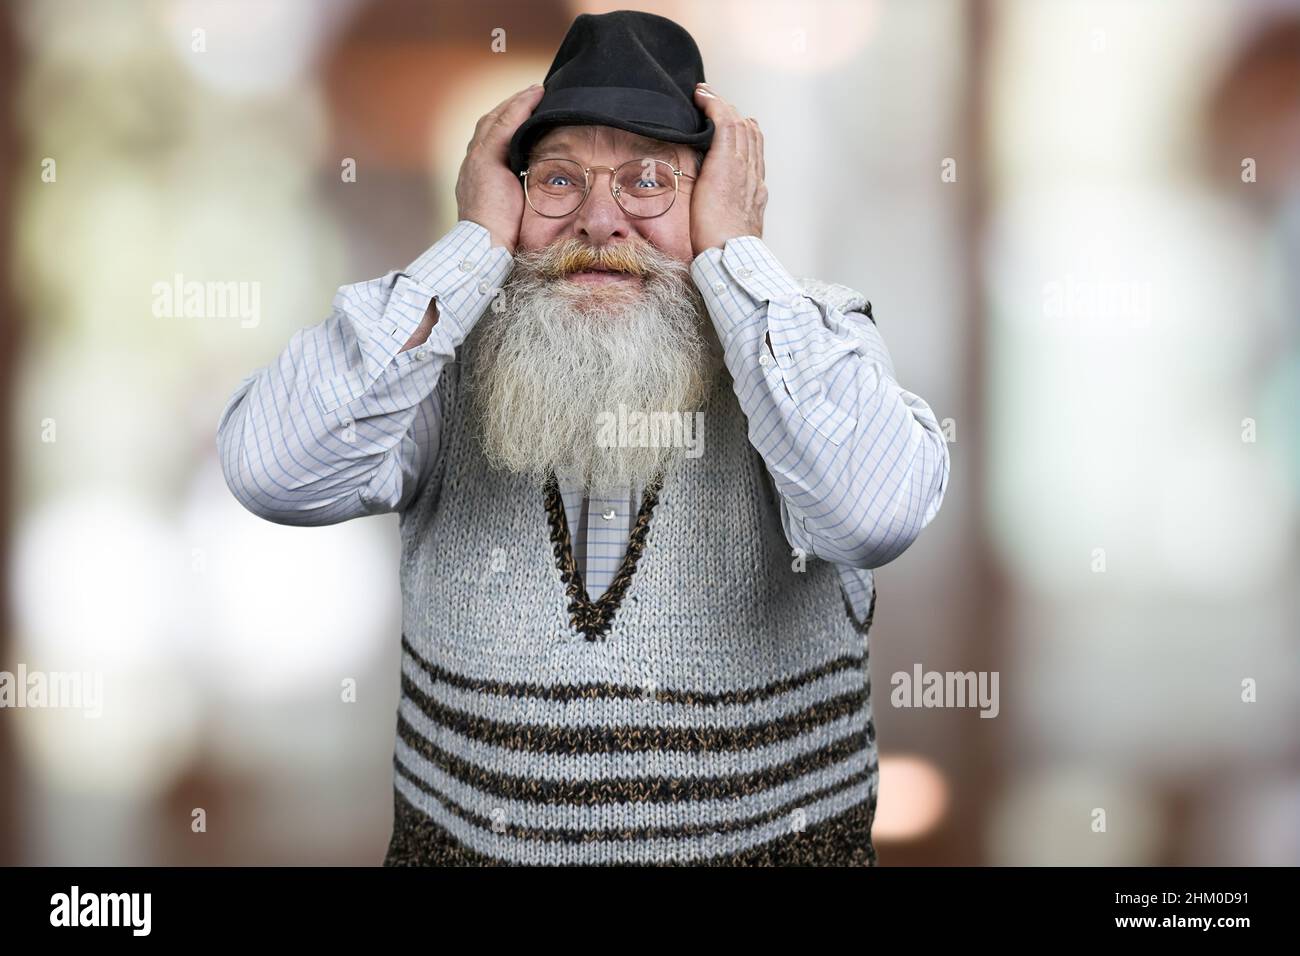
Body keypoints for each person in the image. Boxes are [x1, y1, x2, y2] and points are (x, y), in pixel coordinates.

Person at [216, 10, 949, 866]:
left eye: (649, 180)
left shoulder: (807, 346)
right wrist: (471, 246)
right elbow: (271, 469)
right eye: (559, 181)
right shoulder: (439, 355)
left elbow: (875, 515)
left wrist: (739, 256)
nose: (600, 220)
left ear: (716, 197)